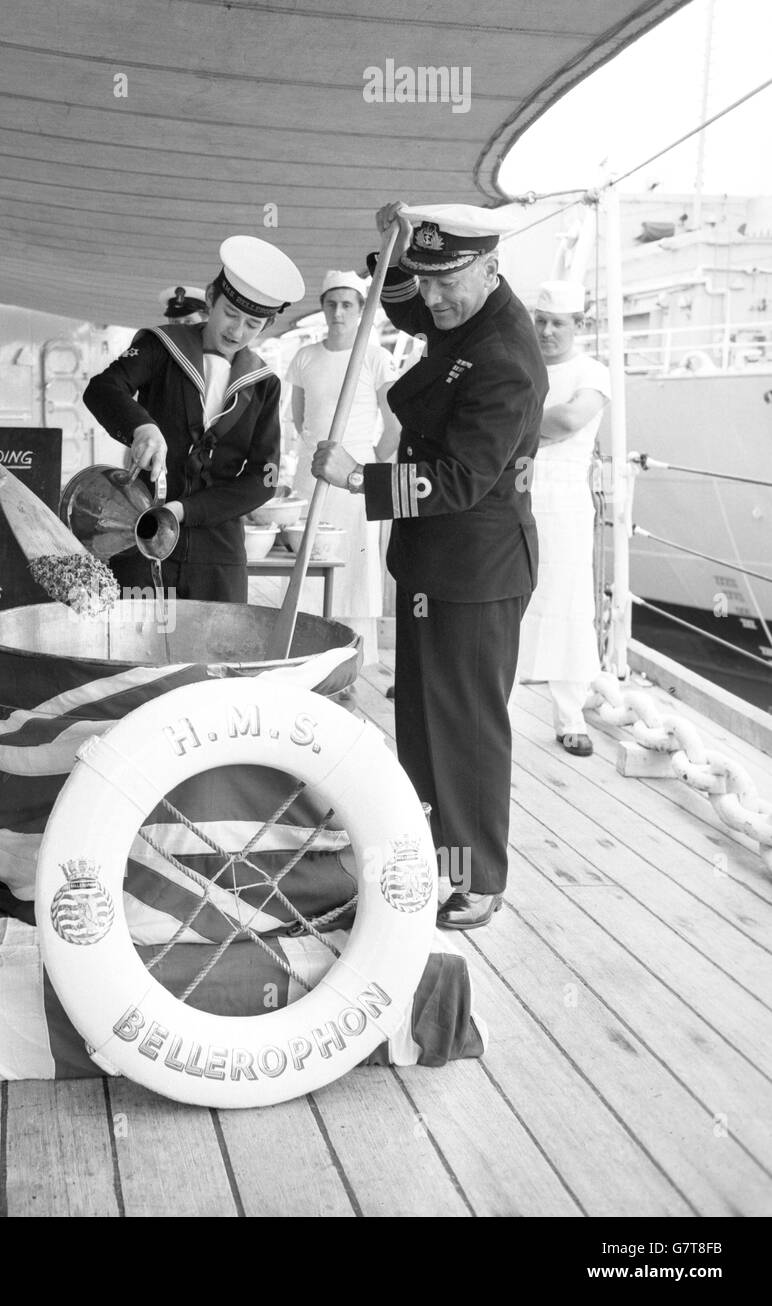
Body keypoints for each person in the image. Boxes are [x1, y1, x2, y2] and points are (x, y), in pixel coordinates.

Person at [313, 203, 547, 931]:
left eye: (450, 281)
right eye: (429, 279)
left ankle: (478, 879)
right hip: (429, 562)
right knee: (419, 718)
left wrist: (360, 478)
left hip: (477, 572)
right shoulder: (463, 318)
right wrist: (388, 251)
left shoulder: (506, 358)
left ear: (490, 266)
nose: (434, 297)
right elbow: (412, 307)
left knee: (468, 729)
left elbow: (461, 480)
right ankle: (426, 856)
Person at [84, 236, 304, 602]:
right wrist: (142, 426)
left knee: (217, 655)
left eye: (252, 324)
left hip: (218, 554)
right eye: (231, 315)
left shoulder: (264, 384)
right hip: (142, 531)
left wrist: (187, 510)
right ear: (211, 298)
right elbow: (103, 388)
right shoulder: (161, 347)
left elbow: (262, 480)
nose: (237, 331)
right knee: (139, 650)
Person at [285, 269, 400, 665]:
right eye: (331, 304)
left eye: (347, 304)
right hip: (313, 472)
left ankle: (351, 660)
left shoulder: (374, 356)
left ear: (361, 308)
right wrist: (318, 454)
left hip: (356, 477)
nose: (338, 312)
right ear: (322, 307)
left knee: (353, 565)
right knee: (310, 561)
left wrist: (371, 468)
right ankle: (305, 655)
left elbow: (395, 424)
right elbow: (300, 419)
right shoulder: (305, 357)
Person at [516, 280, 610, 756]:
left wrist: (518, 429)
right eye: (542, 320)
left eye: (559, 323)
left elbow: (572, 420)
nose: (548, 331)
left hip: (566, 502)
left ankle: (570, 717)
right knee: (510, 596)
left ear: (579, 325)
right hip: (514, 496)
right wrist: (541, 431)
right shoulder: (522, 365)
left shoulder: (592, 371)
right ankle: (499, 705)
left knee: (570, 607)